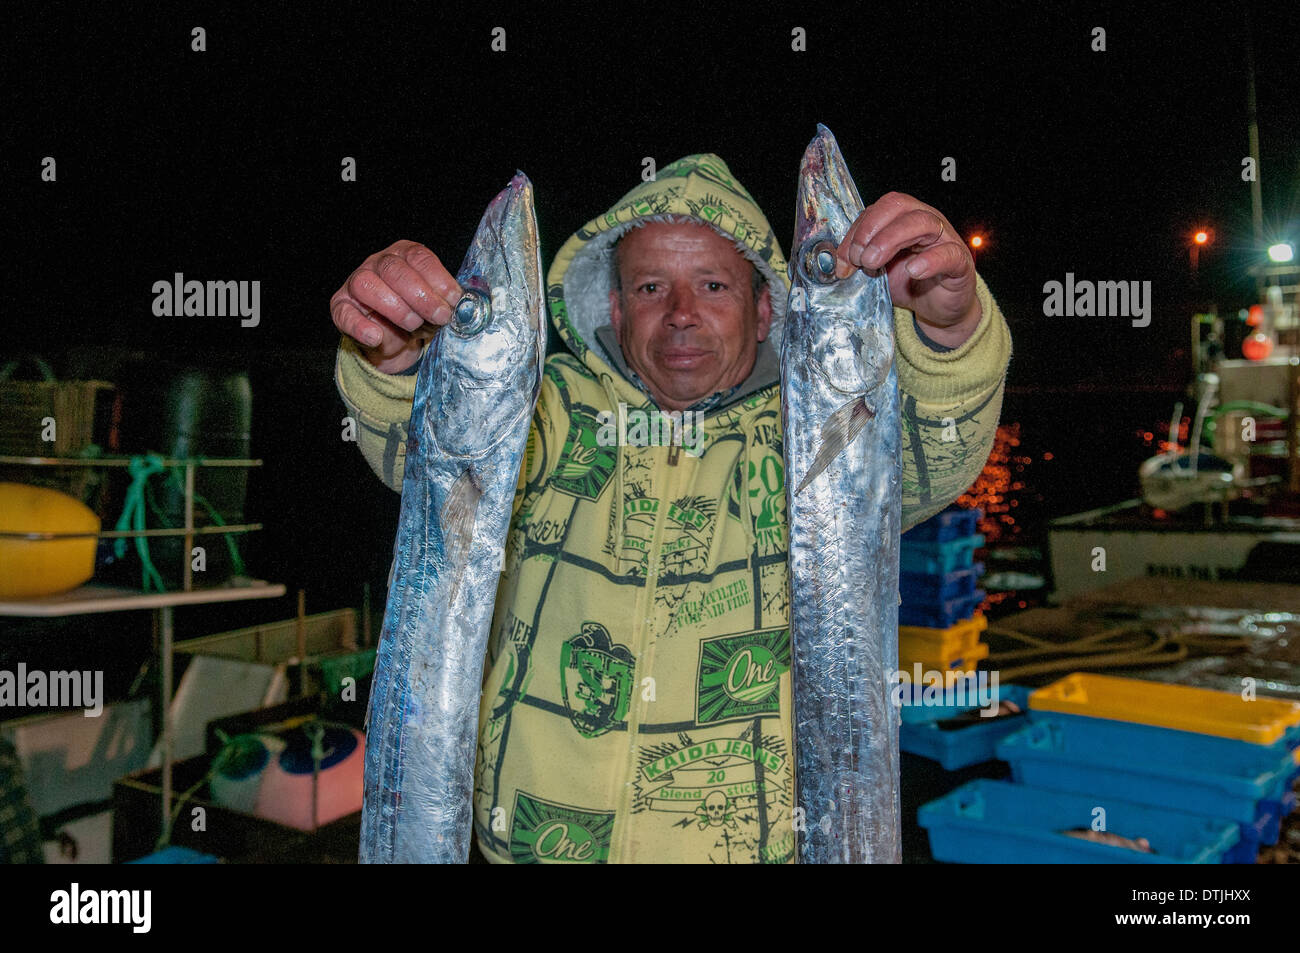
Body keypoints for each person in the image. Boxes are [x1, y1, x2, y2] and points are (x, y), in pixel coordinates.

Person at [331, 153, 1011, 863]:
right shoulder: (544, 412)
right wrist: (401, 360)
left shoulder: (821, 432)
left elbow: (936, 451)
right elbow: (426, 463)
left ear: (764, 308)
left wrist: (949, 334)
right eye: (651, 286)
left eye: (713, 284)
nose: (681, 313)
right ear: (616, 309)